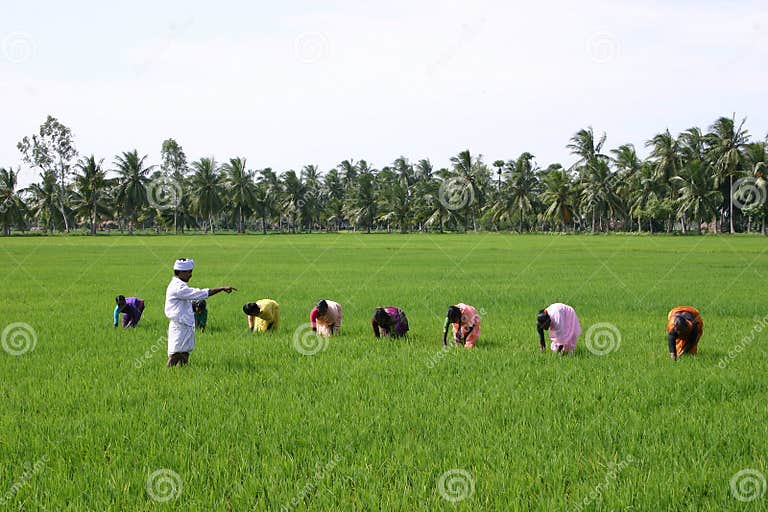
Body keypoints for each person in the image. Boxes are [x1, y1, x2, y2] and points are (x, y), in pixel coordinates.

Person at [164, 258, 236, 367]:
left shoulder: (179, 284)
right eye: (189, 272)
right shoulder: (178, 287)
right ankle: (168, 374)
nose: (191, 275)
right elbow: (199, 294)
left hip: (186, 324)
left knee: (185, 352)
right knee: (175, 353)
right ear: (181, 272)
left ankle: (182, 374)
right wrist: (221, 288)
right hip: (179, 325)